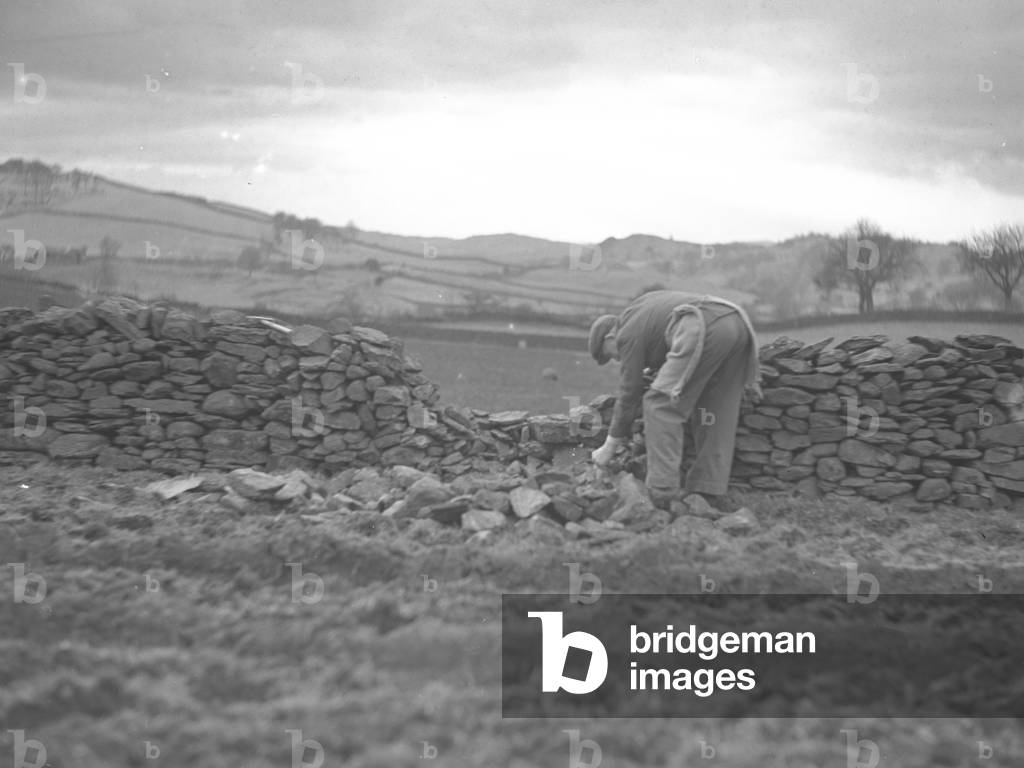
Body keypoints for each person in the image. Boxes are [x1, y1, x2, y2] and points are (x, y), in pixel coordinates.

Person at [588, 290, 762, 510]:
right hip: (736, 322)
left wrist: (609, 446)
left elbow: (630, 391)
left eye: (612, 355)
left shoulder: (626, 333)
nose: (618, 359)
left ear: (609, 337)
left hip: (699, 324)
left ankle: (662, 489)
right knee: (714, 410)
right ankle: (708, 490)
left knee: (659, 405)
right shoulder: (640, 311)